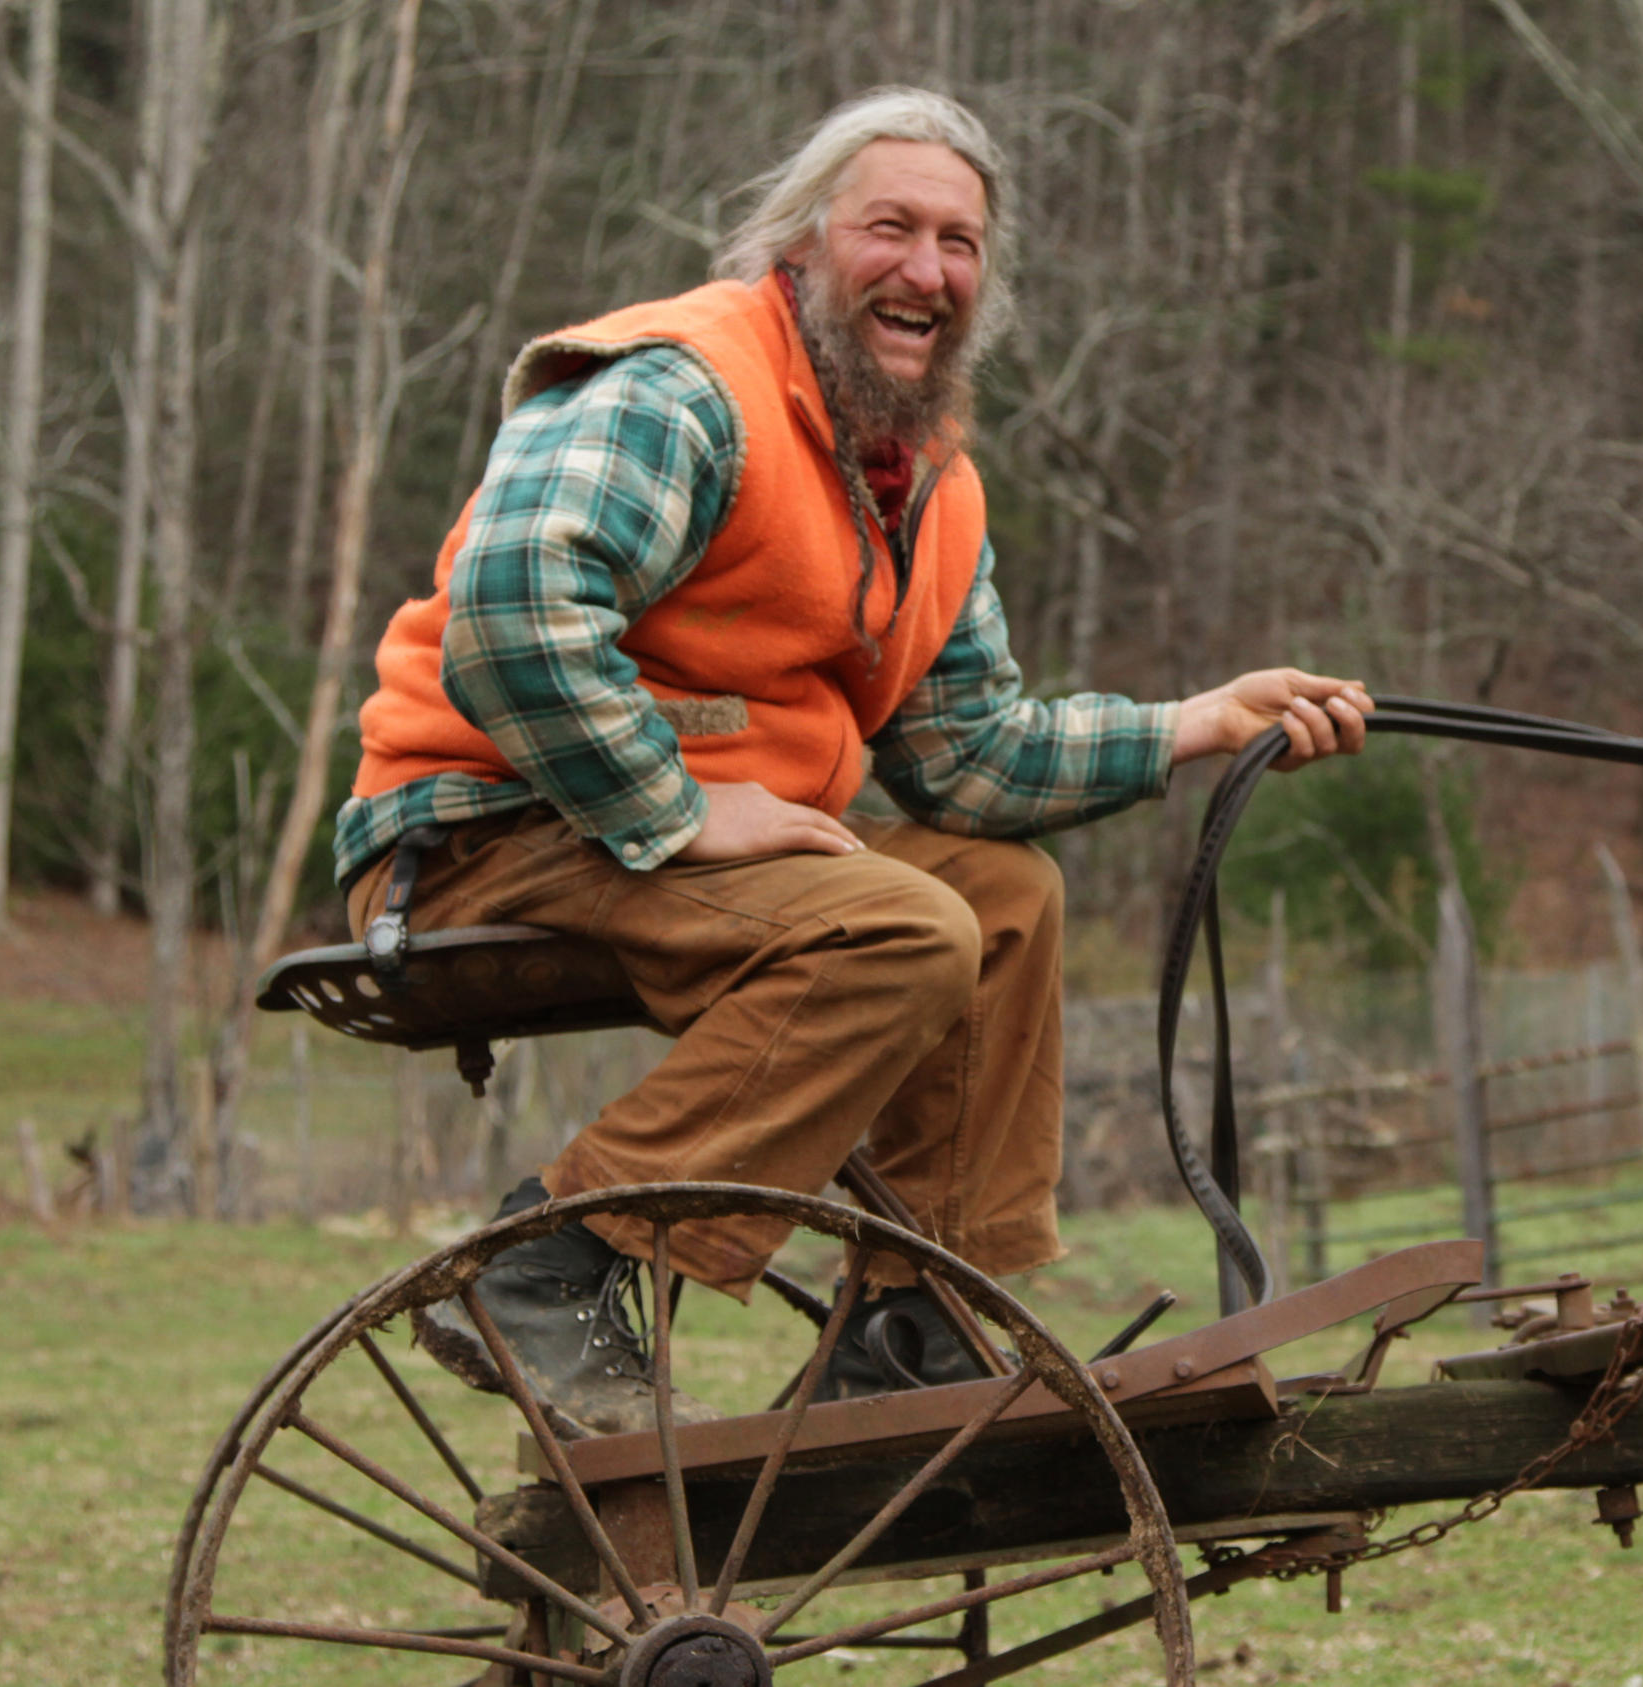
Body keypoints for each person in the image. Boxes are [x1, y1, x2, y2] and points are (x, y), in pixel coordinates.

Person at [333, 87, 1369, 1435]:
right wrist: (677, 807)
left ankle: (908, 1330)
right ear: (806, 245)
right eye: (893, 227)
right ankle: (543, 1265)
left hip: (648, 846)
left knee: (1002, 895)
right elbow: (515, 607)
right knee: (903, 928)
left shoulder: (926, 479)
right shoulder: (686, 386)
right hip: (482, 831)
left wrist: (1196, 724)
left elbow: (971, 759)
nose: (928, 269)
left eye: (960, 244)